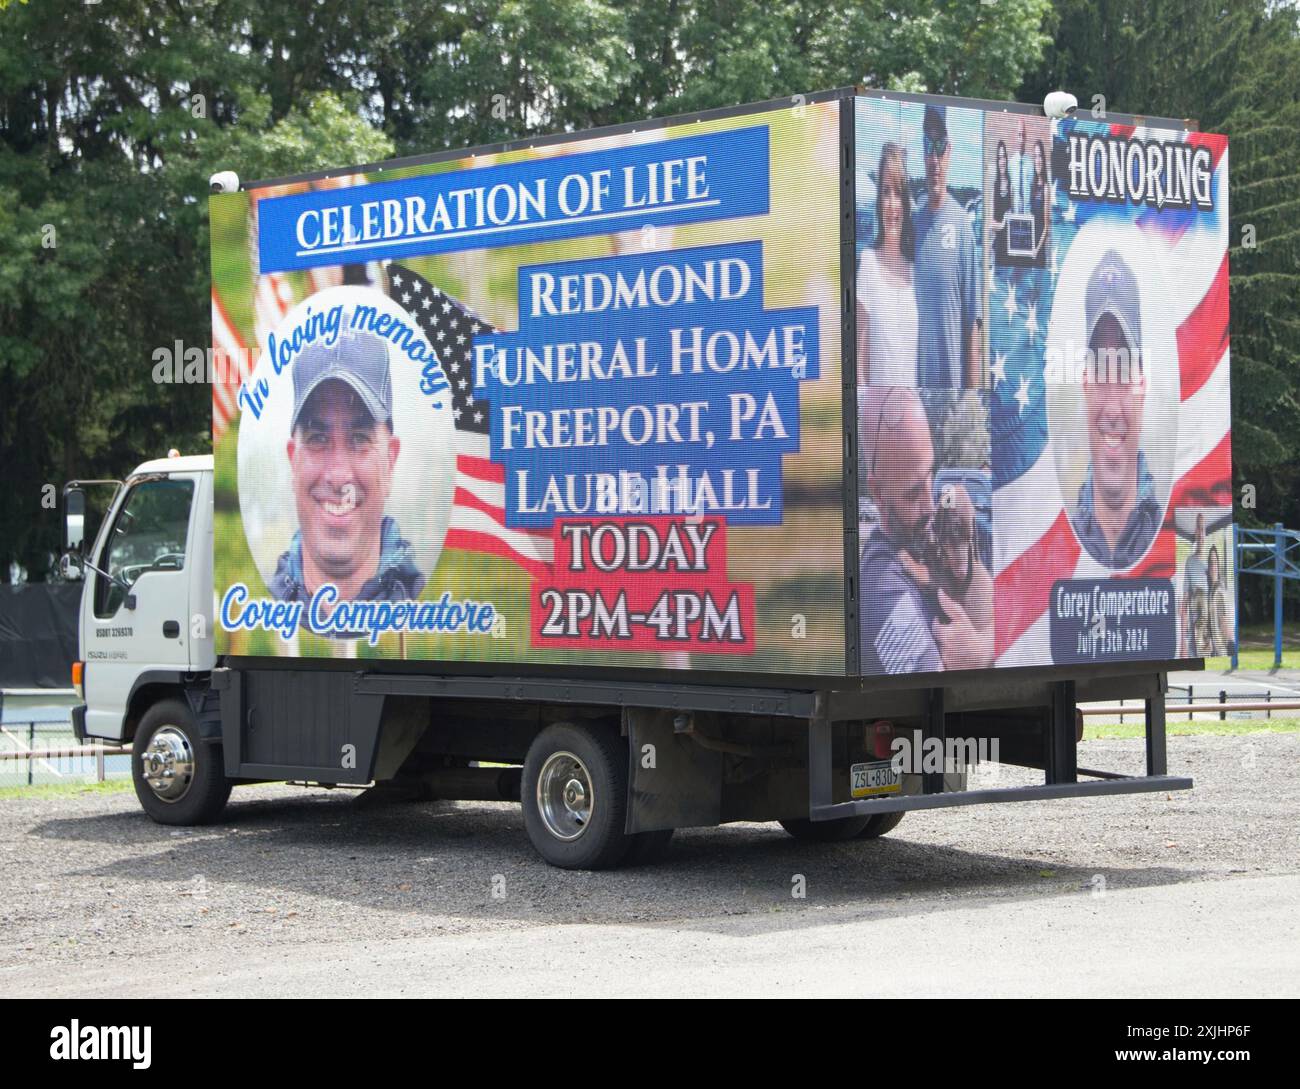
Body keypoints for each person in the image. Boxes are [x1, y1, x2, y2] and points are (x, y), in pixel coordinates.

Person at [269, 328, 425, 605]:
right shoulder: (258, 615)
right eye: (317, 438)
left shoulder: (425, 613)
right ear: (293, 461)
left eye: (359, 439)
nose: (338, 476)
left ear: (390, 461)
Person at [859, 387, 992, 673]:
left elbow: (1000, 625)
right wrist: (983, 653)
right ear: (878, 493)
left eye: (930, 476)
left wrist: (964, 554)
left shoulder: (925, 550)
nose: (930, 506)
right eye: (912, 493)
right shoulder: (882, 584)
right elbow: (939, 693)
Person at [1070, 250, 1162, 569]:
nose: (1111, 409)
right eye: (1100, 371)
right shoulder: (1064, 536)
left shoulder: (1169, 532)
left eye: (1122, 373)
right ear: (1084, 385)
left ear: (1142, 388)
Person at [913, 104, 982, 389]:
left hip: (950, 393)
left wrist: (972, 398)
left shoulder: (962, 224)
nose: (934, 159)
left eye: (940, 146)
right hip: (912, 392)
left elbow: (973, 321)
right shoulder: (910, 221)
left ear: (949, 151)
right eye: (928, 146)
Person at [857, 143, 918, 386]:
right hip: (879, 414)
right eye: (885, 191)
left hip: (915, 412)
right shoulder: (868, 264)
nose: (892, 204)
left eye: (899, 193)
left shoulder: (917, 268)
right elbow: (860, 357)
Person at [1180, 513, 1209, 655]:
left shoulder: (1211, 561)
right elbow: (1185, 591)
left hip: (1207, 616)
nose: (1200, 532)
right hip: (1194, 615)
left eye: (1202, 528)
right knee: (1193, 650)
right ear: (1195, 532)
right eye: (1198, 528)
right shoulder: (1190, 561)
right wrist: (1182, 608)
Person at [989, 139, 1012, 265]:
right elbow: (991, 224)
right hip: (999, 248)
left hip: (1012, 246)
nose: (1002, 161)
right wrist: (1003, 223)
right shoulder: (994, 187)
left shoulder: (1012, 186)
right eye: (999, 158)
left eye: (1004, 157)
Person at [1030, 139, 1049, 266]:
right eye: (1035, 156)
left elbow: (1046, 227)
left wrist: (1037, 249)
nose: (1038, 160)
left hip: (1038, 250)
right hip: (1028, 247)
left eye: (1040, 156)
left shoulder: (1046, 188)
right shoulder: (1031, 186)